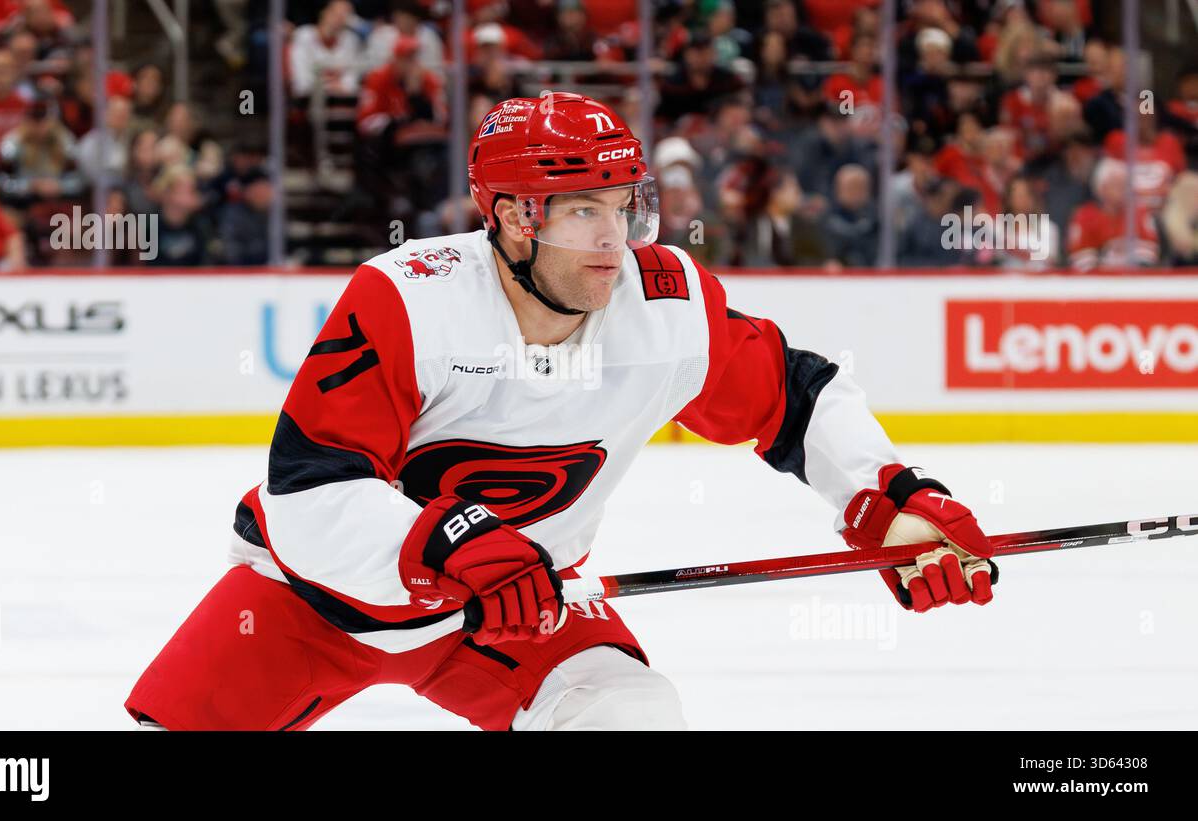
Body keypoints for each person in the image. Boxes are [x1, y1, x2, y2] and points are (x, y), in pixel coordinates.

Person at [125, 93, 998, 731]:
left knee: (632, 719)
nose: (613, 239)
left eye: (623, 207)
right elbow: (312, 492)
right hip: (313, 604)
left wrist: (888, 499)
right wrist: (461, 540)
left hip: (522, 612)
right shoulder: (407, 298)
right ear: (509, 215)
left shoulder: (665, 304)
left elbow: (797, 397)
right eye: (583, 210)